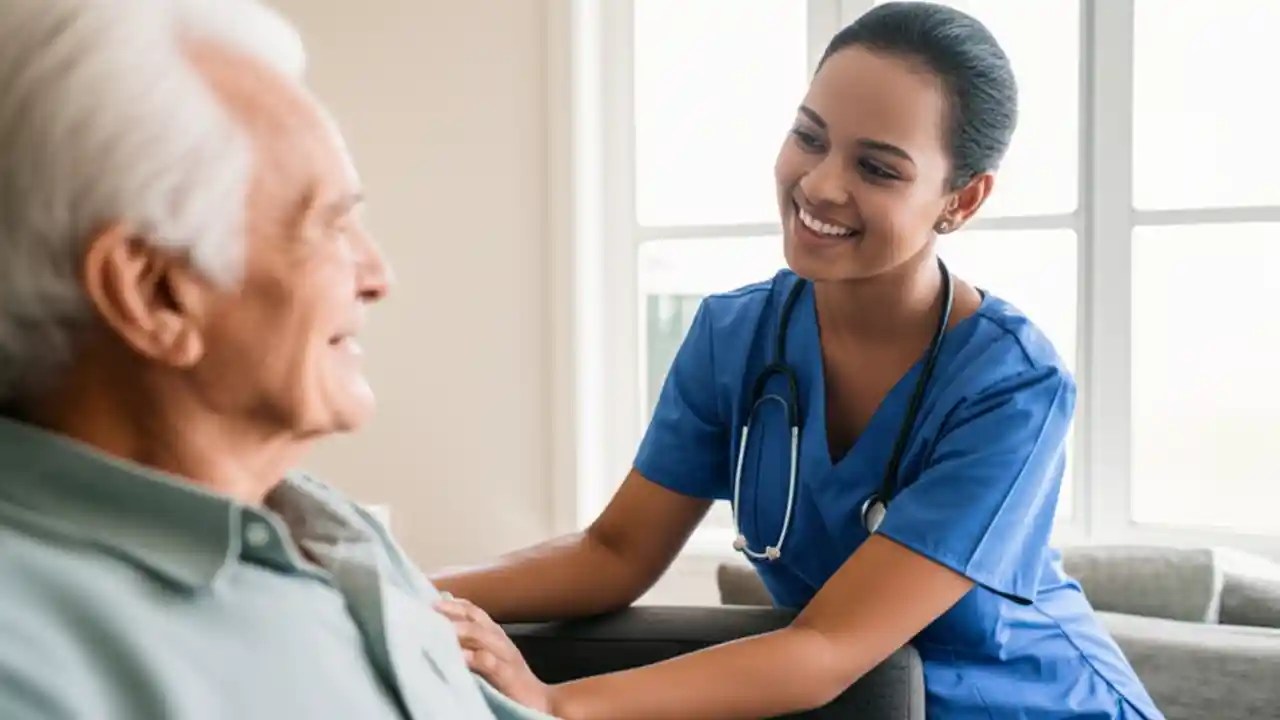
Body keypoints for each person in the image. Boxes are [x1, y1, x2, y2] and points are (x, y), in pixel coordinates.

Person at [432, 3, 1164, 718]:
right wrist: (409, 590)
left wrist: (559, 705)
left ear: (961, 200)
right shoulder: (734, 336)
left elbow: (828, 645)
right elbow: (615, 551)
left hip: (1035, 701)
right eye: (810, 137)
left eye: (877, 168)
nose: (819, 184)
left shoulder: (1012, 389)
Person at [0, 1, 551, 718]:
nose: (379, 274)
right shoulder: (31, 654)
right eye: (327, 225)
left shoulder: (332, 525)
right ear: (154, 294)